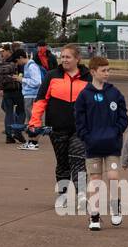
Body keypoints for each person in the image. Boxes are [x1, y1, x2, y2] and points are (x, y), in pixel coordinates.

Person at [30, 43, 92, 208]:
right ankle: (64, 195)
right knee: (63, 162)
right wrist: (35, 122)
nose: (64, 60)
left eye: (68, 57)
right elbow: (41, 100)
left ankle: (81, 195)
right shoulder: (52, 76)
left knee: (78, 160)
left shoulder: (88, 78)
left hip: (81, 129)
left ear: (77, 59)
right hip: (57, 128)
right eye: (62, 56)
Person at [74, 56, 128, 230]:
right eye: (103, 70)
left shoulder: (114, 92)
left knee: (113, 176)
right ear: (93, 72)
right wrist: (86, 136)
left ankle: (115, 206)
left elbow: (123, 114)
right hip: (92, 146)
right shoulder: (84, 95)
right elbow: (79, 119)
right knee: (95, 179)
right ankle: (95, 216)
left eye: (108, 70)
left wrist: (117, 130)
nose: (107, 73)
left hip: (112, 145)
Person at [0, 44, 28, 144]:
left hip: (7, 91)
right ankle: (18, 132)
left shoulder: (3, 62)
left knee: (8, 113)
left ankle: (9, 136)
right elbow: (23, 75)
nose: (2, 53)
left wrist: (1, 88)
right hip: (18, 90)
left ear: (9, 51)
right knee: (22, 112)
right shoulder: (19, 61)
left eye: (3, 51)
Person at [20, 48, 44, 151]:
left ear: (21, 58)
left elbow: (37, 82)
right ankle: (31, 141)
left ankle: (34, 142)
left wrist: (22, 80)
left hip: (32, 95)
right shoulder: (28, 66)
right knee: (31, 119)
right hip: (29, 95)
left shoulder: (31, 66)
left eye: (17, 61)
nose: (18, 63)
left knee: (34, 119)